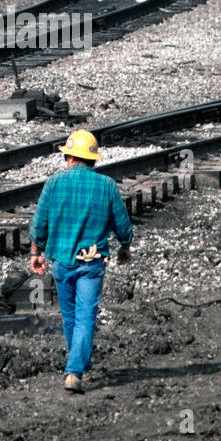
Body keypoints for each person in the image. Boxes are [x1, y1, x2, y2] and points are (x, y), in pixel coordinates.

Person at [29, 129, 133, 394]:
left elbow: (39, 223)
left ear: (72, 158)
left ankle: (78, 368)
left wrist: (35, 253)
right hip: (92, 262)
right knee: (85, 316)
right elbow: (122, 224)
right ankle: (76, 371)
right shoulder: (107, 185)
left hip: (62, 262)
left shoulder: (54, 183)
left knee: (70, 317)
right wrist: (124, 246)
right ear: (92, 158)